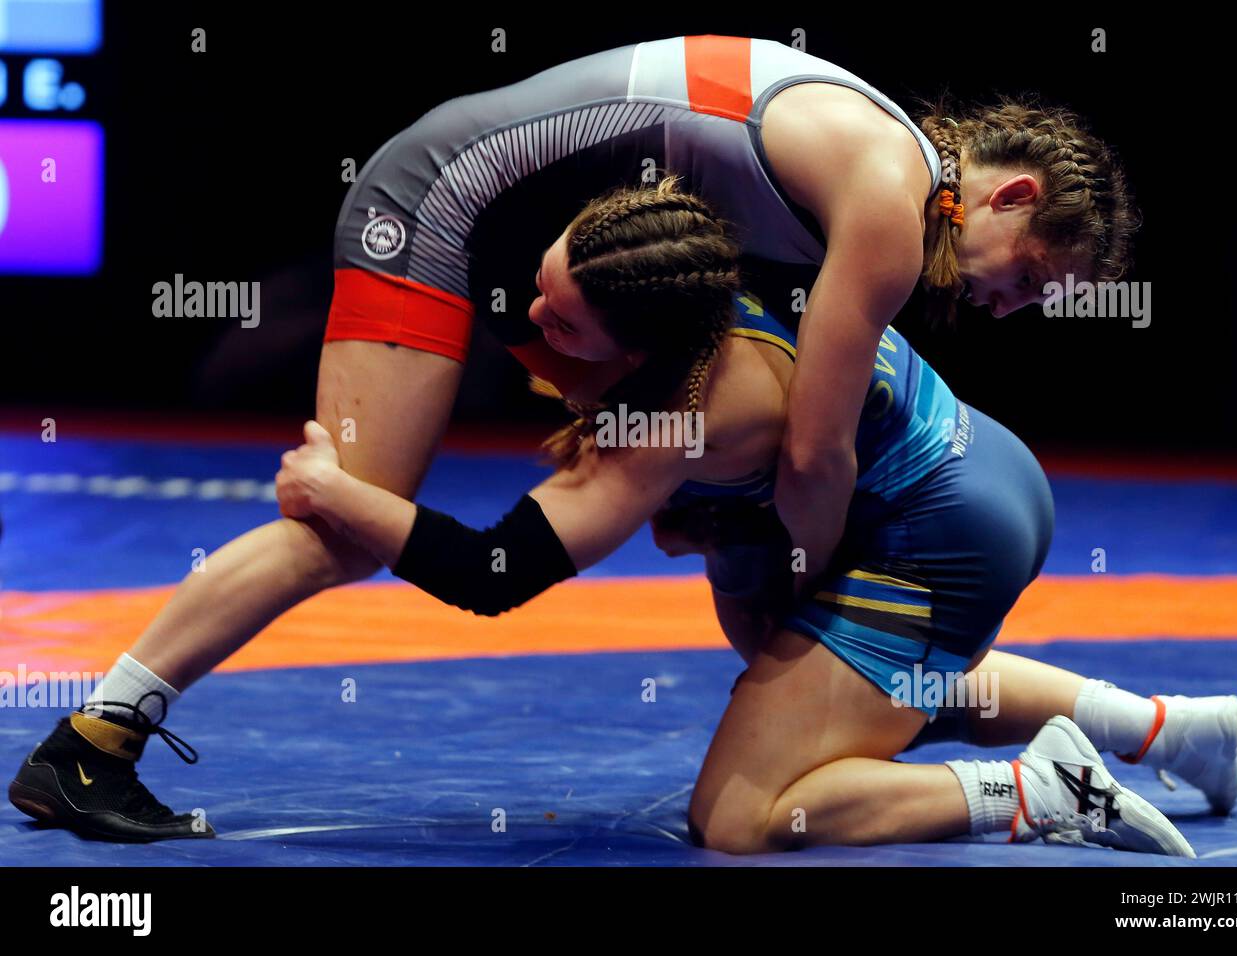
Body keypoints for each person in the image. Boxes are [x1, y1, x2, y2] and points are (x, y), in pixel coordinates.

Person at [9, 30, 1150, 842]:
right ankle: (91, 744)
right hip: (447, 210)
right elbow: (816, 453)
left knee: (767, 631)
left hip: (504, 216)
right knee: (339, 521)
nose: (1014, 310)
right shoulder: (886, 207)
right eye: (1037, 281)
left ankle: (1140, 725)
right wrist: (801, 562)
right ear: (1011, 194)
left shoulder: (873, 145)